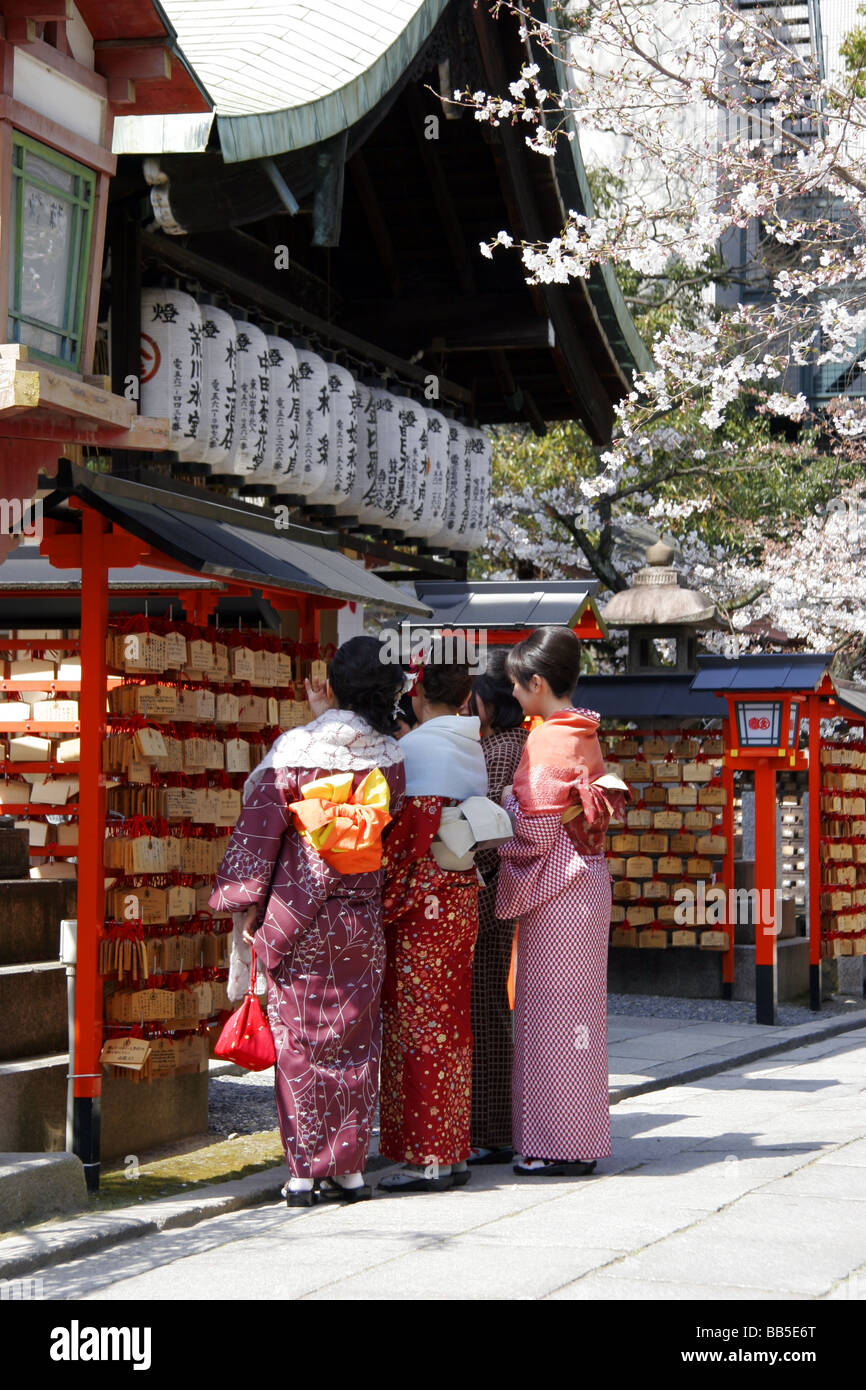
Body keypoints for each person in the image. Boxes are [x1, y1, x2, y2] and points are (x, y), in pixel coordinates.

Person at [209, 635, 405, 1206]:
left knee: (300, 1040)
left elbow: (261, 822)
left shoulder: (294, 749)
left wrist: (246, 901)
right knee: (355, 1037)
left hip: (300, 914)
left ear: (334, 685)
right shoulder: (391, 757)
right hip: (360, 914)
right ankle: (347, 1168)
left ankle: (301, 1171)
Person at [495, 627, 628, 1177]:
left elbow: (537, 829)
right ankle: (577, 1137)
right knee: (579, 1018)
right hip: (587, 880)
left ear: (538, 682)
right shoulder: (584, 731)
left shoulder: (547, 739)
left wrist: (502, 802)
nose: (514, 698)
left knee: (550, 1017)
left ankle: (558, 1144)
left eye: (517, 687)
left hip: (558, 889)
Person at [377, 654, 488, 1193]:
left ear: (418, 696)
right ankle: (453, 1148)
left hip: (423, 898)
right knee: (451, 1021)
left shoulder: (415, 747)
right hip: (460, 893)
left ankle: (429, 1157)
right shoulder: (469, 743)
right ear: (464, 698)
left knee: (418, 1025)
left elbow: (406, 831)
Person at [466, 648, 527, 1165]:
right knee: (487, 1004)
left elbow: (486, 830)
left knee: (482, 1005)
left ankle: (492, 1125)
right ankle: (495, 1123)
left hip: (487, 885)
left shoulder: (501, 751)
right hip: (499, 886)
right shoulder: (512, 745)